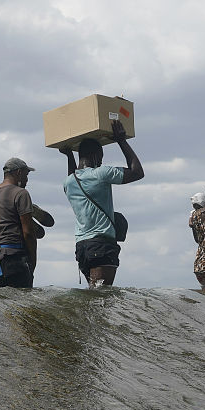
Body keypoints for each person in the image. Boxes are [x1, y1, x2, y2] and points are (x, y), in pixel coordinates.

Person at [59, 120, 144, 288]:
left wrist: (69, 154)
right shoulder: (101, 173)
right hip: (101, 245)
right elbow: (137, 172)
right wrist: (121, 140)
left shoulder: (68, 183)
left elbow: (73, 174)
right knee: (101, 298)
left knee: (94, 297)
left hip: (82, 248)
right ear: (97, 156)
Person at [0, 157, 40, 288]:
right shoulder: (21, 194)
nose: (27, 179)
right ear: (18, 172)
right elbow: (29, 233)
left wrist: (1, 214)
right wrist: (33, 262)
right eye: (26, 174)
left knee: (4, 303)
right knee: (22, 303)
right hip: (15, 257)